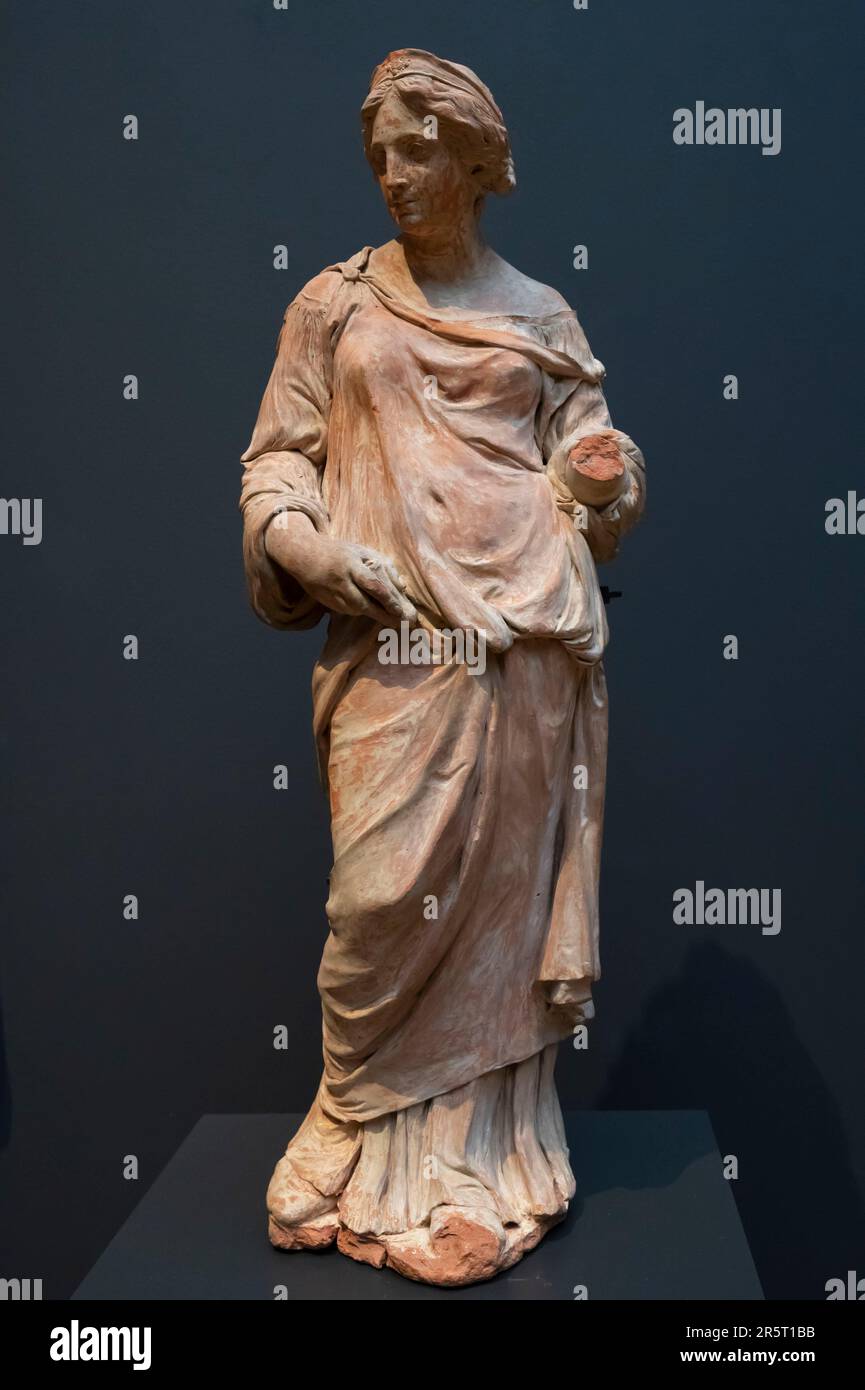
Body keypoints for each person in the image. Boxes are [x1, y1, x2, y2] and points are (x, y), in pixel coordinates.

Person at [239, 48, 646, 1286]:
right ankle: (351, 1107)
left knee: (495, 925)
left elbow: (597, 464)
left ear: (473, 159)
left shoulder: (540, 317)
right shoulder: (335, 304)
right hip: (394, 649)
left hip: (521, 650)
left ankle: (479, 1160)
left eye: (414, 150)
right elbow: (275, 466)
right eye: (377, 154)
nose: (390, 175)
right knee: (375, 899)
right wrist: (305, 547)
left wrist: (604, 479)